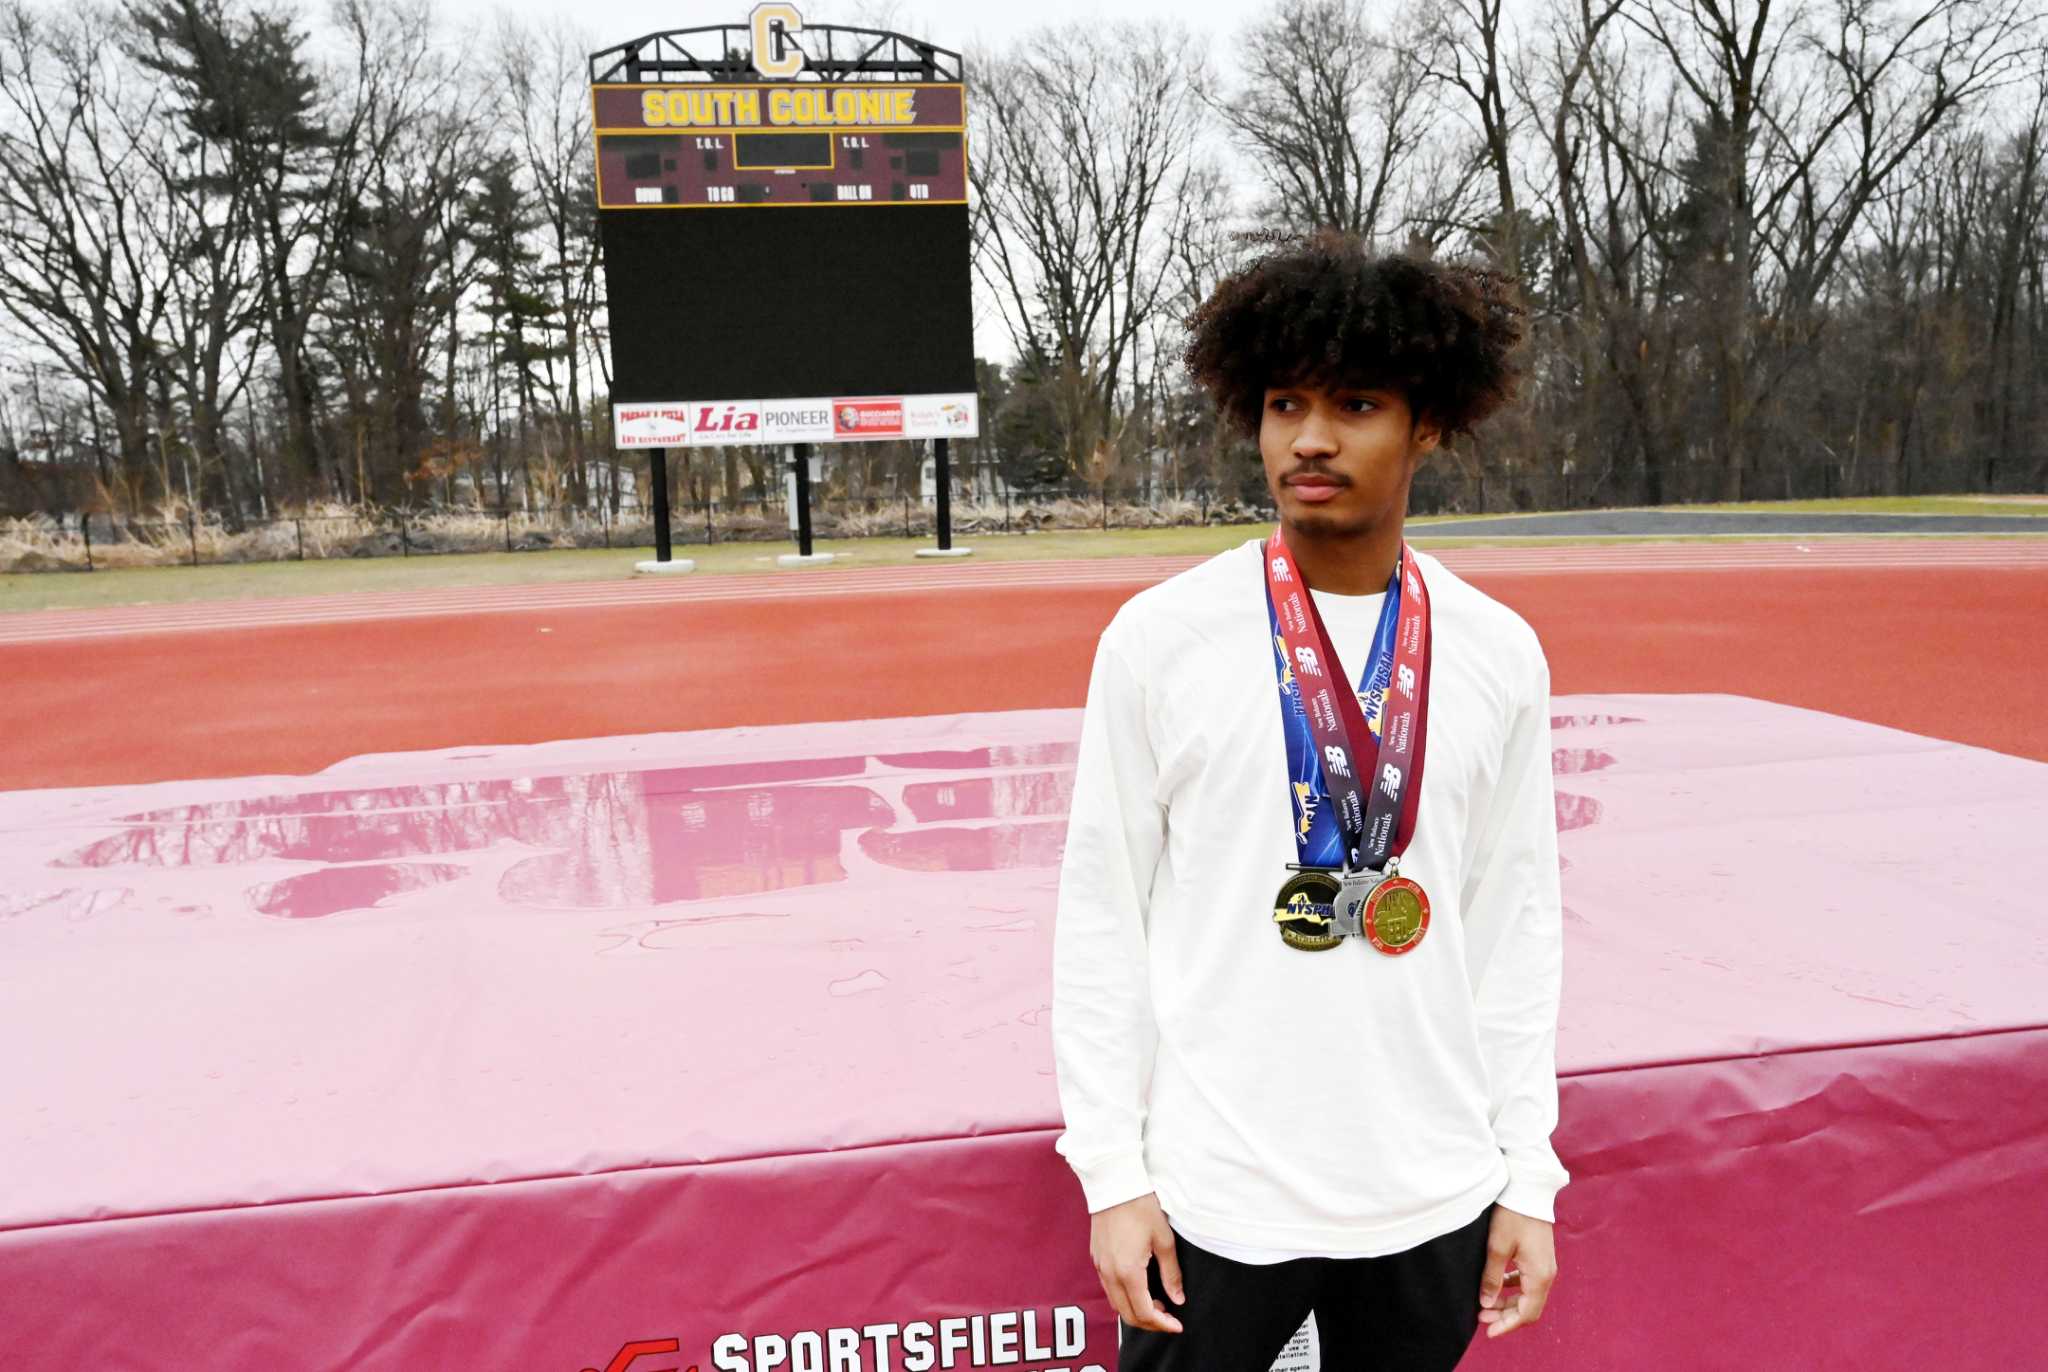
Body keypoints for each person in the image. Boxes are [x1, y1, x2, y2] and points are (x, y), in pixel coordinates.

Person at [1050, 231, 1567, 1370]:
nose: (1311, 438)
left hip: (1430, 1194)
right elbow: (1101, 916)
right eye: (1285, 404)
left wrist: (1524, 1173)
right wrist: (1113, 1174)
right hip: (1215, 1196)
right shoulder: (1159, 639)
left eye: (1357, 404)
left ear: (1427, 424)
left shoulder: (1496, 651)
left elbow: (1514, 928)